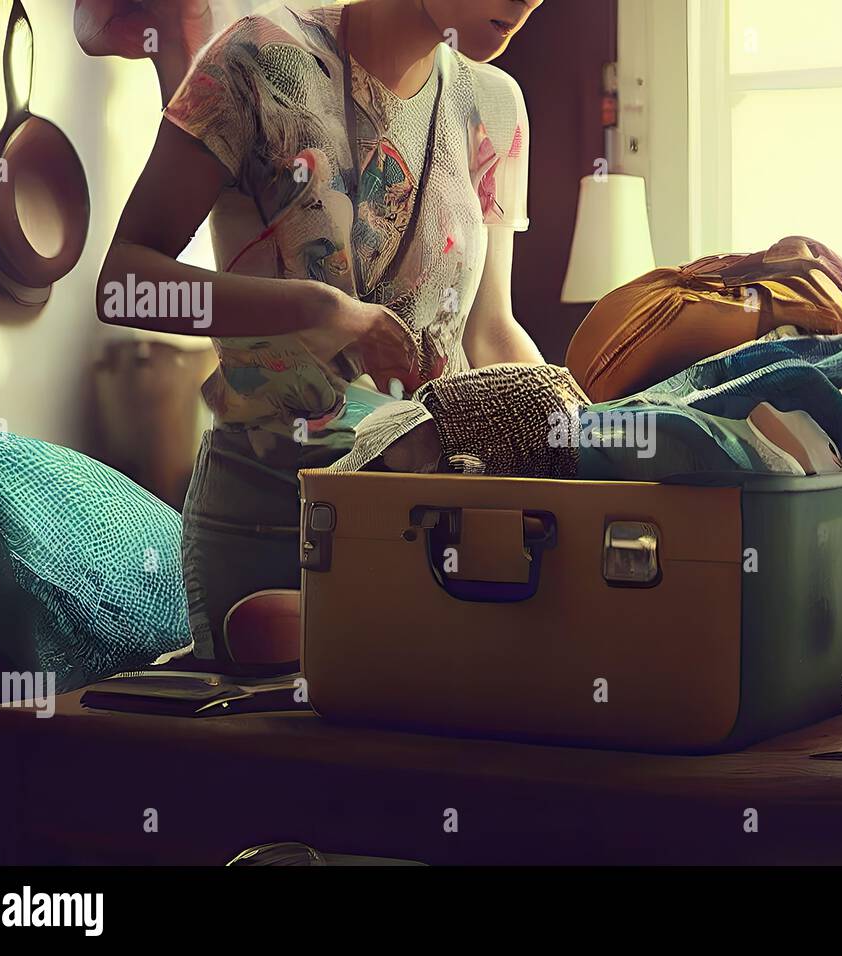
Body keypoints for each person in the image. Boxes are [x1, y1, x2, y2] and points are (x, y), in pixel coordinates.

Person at [95, 0, 545, 660]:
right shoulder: (258, 58)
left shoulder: (495, 104)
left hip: (422, 532)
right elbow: (124, 284)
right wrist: (321, 313)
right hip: (269, 521)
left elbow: (489, 329)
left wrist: (577, 436)